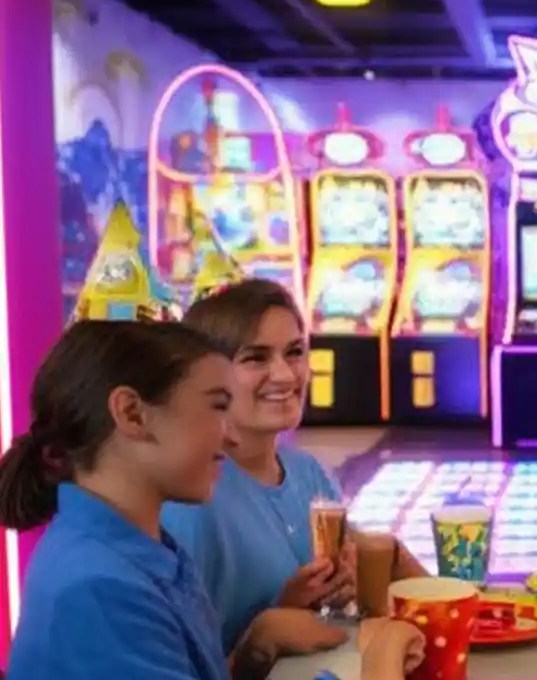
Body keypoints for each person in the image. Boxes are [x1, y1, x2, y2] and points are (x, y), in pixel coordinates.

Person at [0, 321, 344, 679]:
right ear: (132, 413)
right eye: (217, 406)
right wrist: (382, 656)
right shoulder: (98, 588)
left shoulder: (142, 547)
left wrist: (255, 648)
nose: (231, 437)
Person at [163, 279, 427, 651]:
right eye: (255, 358)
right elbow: (182, 658)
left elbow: (346, 611)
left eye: (294, 352)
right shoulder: (190, 499)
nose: (286, 375)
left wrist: (345, 588)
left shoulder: (308, 472)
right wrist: (279, 613)